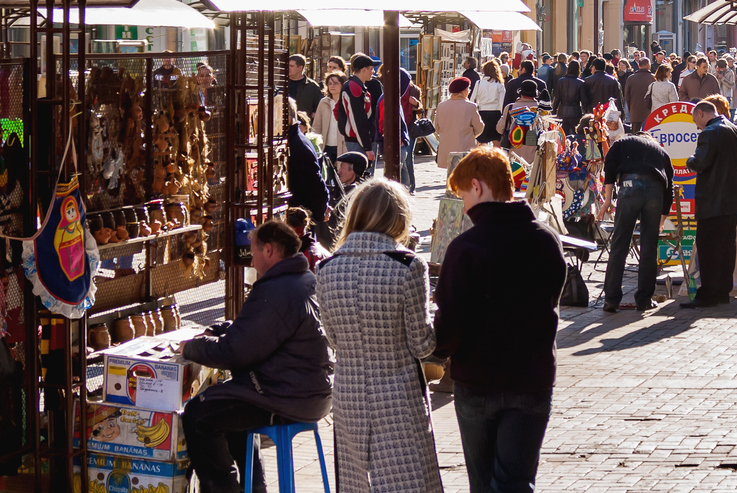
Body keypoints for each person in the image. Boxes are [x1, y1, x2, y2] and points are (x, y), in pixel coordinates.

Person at [436, 146, 566, 493]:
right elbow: (552, 301)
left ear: (477, 187)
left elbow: (448, 324)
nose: (463, 204)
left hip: (477, 380)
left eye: (463, 193)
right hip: (531, 377)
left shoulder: (466, 247)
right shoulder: (545, 240)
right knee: (515, 481)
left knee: (482, 482)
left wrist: (439, 349)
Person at [181, 220, 332, 493]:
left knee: (198, 415)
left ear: (270, 251)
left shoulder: (277, 290)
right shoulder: (303, 279)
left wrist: (190, 348)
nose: (250, 259)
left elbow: (234, 352)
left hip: (287, 394)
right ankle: (255, 486)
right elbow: (259, 334)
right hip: (305, 390)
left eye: (253, 251)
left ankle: (225, 489)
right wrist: (226, 329)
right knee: (231, 403)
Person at [316, 178, 441, 491]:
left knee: (356, 481)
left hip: (348, 395)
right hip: (398, 396)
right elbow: (422, 344)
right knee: (410, 481)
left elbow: (333, 340)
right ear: (397, 219)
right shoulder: (407, 266)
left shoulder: (327, 269)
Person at [683, 100, 737, 308]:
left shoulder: (710, 132)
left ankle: (709, 293)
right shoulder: (736, 129)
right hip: (733, 197)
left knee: (709, 246)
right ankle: (722, 290)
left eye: (696, 121)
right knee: (726, 246)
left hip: (713, 199)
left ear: (702, 114)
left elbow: (700, 162)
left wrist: (689, 160)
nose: (697, 126)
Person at [601, 129, 674, 312]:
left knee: (619, 245)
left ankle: (611, 299)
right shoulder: (659, 150)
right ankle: (644, 300)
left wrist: (608, 199)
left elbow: (609, 167)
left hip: (629, 187)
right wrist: (662, 219)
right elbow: (669, 186)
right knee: (649, 247)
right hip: (655, 192)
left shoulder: (621, 143)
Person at [287, 102, 329, 228]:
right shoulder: (295, 140)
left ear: (287, 119)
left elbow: (315, 183)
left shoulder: (298, 144)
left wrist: (321, 210)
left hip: (299, 217)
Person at [337, 53, 381, 166]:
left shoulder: (358, 86)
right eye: (371, 69)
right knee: (362, 178)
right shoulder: (353, 87)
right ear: (363, 69)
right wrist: (367, 147)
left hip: (361, 139)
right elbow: (357, 119)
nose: (373, 72)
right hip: (358, 141)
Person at [434, 77, 485, 169]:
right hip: (465, 146)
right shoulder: (470, 107)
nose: (469, 91)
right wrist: (471, 135)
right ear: (463, 91)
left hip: (446, 147)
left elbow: (437, 127)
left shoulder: (441, 106)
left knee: (451, 175)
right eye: (468, 89)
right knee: (464, 175)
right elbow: (479, 127)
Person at [498, 80, 542, 164]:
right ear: (535, 95)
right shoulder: (541, 110)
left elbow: (500, 129)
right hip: (536, 156)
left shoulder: (510, 108)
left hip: (515, 154)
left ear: (521, 94)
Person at [312, 72, 345, 164]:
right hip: (326, 146)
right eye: (330, 83)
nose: (332, 86)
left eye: (335, 83)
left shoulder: (346, 101)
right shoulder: (324, 102)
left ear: (343, 84)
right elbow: (317, 125)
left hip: (343, 146)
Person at [472, 59, 507, 144]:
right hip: (495, 113)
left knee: (482, 141)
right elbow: (502, 102)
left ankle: (482, 157)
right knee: (496, 141)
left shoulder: (479, 83)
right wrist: (502, 116)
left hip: (482, 112)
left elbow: (472, 99)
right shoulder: (499, 84)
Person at [623, 57, 656, 133]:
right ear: (648, 65)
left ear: (639, 66)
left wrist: (631, 108)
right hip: (650, 112)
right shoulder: (653, 78)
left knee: (635, 135)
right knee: (649, 135)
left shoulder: (631, 78)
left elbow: (627, 96)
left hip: (635, 110)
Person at [552, 60, 586, 134]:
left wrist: (554, 111)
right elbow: (584, 101)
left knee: (563, 135)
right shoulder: (581, 83)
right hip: (576, 111)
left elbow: (557, 98)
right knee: (575, 134)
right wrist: (586, 112)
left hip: (562, 111)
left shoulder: (561, 81)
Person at [287, 54, 324, 119]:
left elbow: (319, 105)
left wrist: (315, 114)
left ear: (300, 68)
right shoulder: (282, 84)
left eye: (291, 66)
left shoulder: (312, 86)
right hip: (284, 124)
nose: (288, 68)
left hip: (304, 125)